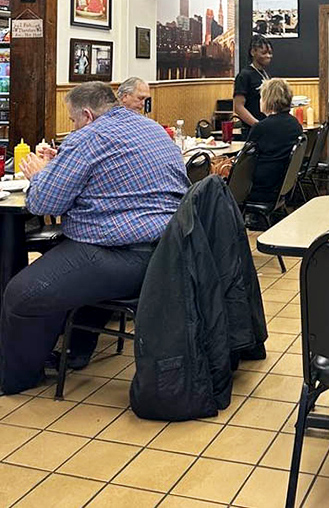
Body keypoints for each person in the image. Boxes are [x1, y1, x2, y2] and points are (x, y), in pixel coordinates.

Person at [0, 82, 188, 395]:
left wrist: (41, 174)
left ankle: (18, 378)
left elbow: (45, 204)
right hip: (169, 250)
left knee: (21, 295)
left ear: (87, 115)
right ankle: (76, 350)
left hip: (122, 255)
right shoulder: (151, 128)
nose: (73, 127)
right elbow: (110, 170)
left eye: (73, 121)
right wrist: (62, 160)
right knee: (63, 256)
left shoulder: (88, 138)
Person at [247, 78, 302, 204]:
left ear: (268, 100)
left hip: (261, 189)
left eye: (261, 97)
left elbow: (245, 164)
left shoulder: (261, 128)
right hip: (283, 186)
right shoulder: (295, 124)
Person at [233, 35, 273, 134]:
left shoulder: (265, 74)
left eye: (270, 53)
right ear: (252, 52)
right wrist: (257, 125)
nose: (268, 56)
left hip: (267, 127)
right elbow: (238, 107)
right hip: (252, 131)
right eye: (263, 53)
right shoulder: (244, 75)